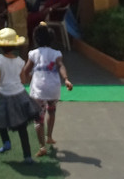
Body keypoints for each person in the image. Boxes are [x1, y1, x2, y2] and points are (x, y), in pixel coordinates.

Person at [0, 27, 41, 164]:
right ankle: (27, 156)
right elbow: (23, 80)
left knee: (0, 121)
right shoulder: (20, 61)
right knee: (22, 126)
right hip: (20, 95)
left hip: (5, 96)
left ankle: (6, 142)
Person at [20, 22, 73, 157]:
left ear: (36, 39)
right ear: (52, 39)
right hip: (53, 89)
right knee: (52, 110)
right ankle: (49, 136)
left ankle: (42, 146)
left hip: (38, 90)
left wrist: (23, 81)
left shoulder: (33, 53)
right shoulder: (56, 54)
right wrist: (66, 79)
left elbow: (26, 71)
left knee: (38, 119)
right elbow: (61, 66)